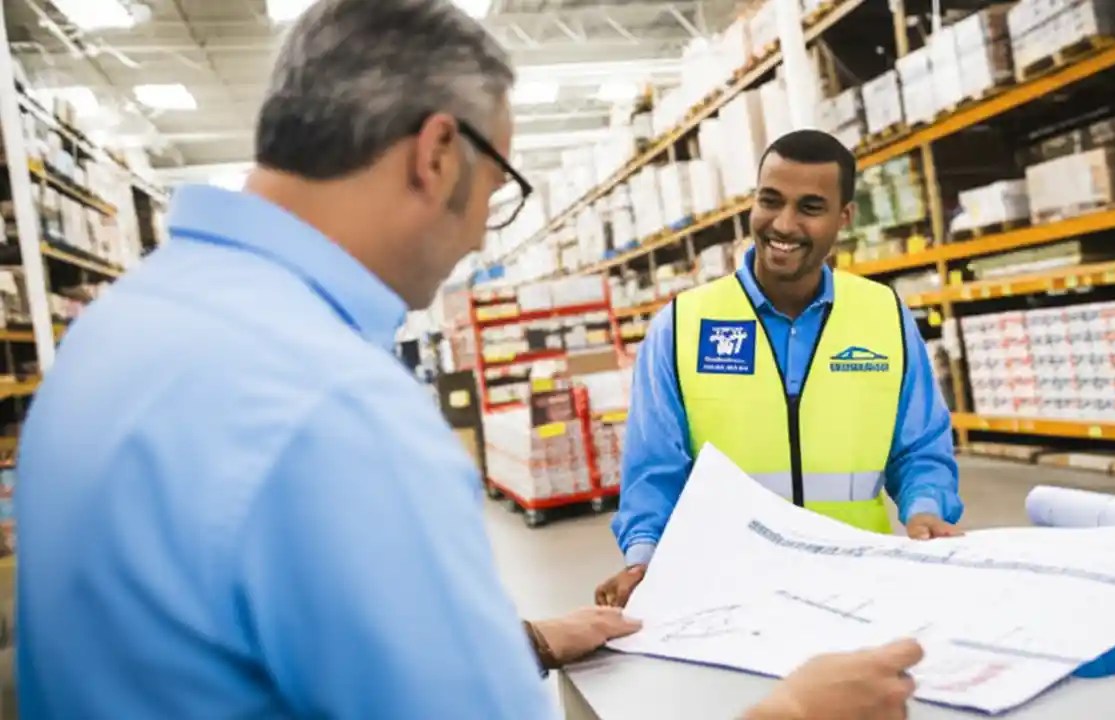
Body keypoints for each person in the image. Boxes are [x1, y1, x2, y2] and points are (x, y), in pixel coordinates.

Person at [15, 1, 921, 718]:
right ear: (439, 154)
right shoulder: (337, 410)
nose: (487, 223)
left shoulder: (120, 327)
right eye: (501, 186)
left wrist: (514, 642)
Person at [598, 130, 964, 608]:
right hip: (727, 594)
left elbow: (919, 449)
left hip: (858, 587)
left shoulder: (884, 316)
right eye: (770, 201)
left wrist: (925, 510)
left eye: (810, 208)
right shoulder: (682, 325)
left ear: (844, 217)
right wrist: (643, 560)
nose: (783, 224)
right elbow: (654, 472)